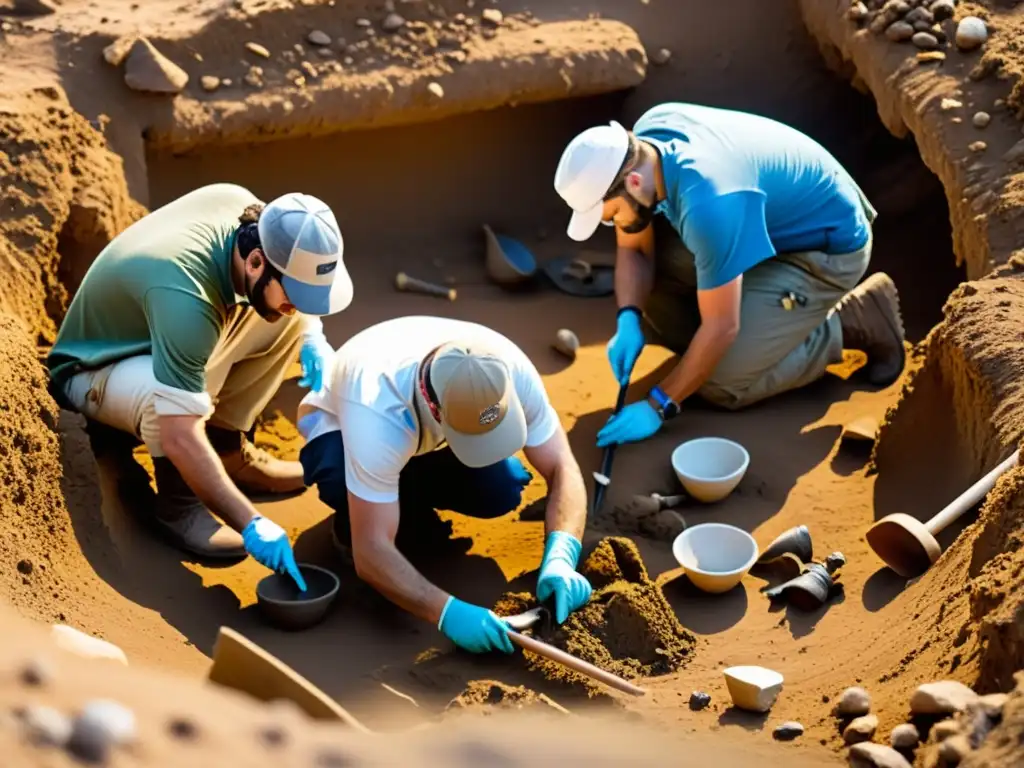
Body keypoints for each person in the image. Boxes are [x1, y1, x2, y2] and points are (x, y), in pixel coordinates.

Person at [46, 183, 352, 589]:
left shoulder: (246, 217)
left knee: (286, 319)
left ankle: (227, 452)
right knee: (166, 402)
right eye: (296, 293)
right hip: (94, 368)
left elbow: (281, 295)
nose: (297, 301)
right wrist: (251, 522)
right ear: (257, 260)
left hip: (165, 335)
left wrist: (312, 333)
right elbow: (178, 431)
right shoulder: (186, 296)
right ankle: (179, 504)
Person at [553, 102, 906, 448]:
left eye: (610, 214)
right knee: (663, 274)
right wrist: (628, 317)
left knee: (721, 384)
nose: (612, 224)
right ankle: (747, 320)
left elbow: (723, 327)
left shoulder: (709, 204)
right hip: (760, 222)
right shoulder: (645, 147)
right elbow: (635, 249)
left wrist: (657, 406)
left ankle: (850, 321)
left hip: (823, 250)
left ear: (631, 181)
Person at [296, 315, 593, 654]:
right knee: (345, 483)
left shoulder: (506, 366)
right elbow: (370, 550)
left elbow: (562, 465)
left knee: (503, 486)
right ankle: (370, 506)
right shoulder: (376, 414)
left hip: (417, 438)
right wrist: (448, 613)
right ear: (436, 410)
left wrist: (561, 554)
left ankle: (400, 495)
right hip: (343, 427)